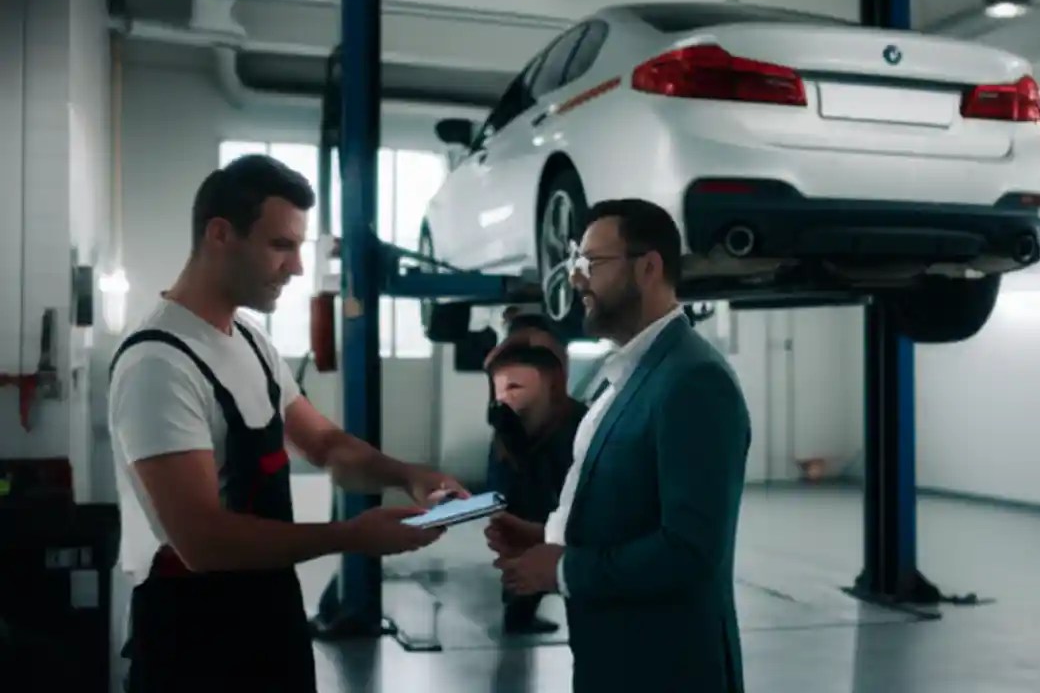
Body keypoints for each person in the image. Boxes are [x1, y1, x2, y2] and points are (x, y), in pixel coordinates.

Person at [108, 154, 468, 693]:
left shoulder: (251, 338)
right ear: (220, 235)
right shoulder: (159, 363)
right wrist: (350, 536)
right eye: (281, 246)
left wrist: (409, 475)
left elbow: (324, 443)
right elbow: (201, 542)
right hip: (194, 639)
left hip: (269, 615)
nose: (298, 268)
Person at [485, 199, 752, 693]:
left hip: (667, 671)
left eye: (592, 263)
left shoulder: (694, 381)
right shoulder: (629, 376)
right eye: (575, 264)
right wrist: (548, 535)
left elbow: (691, 551)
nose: (576, 279)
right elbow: (628, 509)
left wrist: (564, 569)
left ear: (648, 268)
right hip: (618, 662)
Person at [484, 342, 586, 634]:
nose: (505, 396)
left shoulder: (568, 420)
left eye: (515, 387)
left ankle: (519, 611)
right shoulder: (513, 422)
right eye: (502, 388)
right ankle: (519, 613)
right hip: (527, 500)